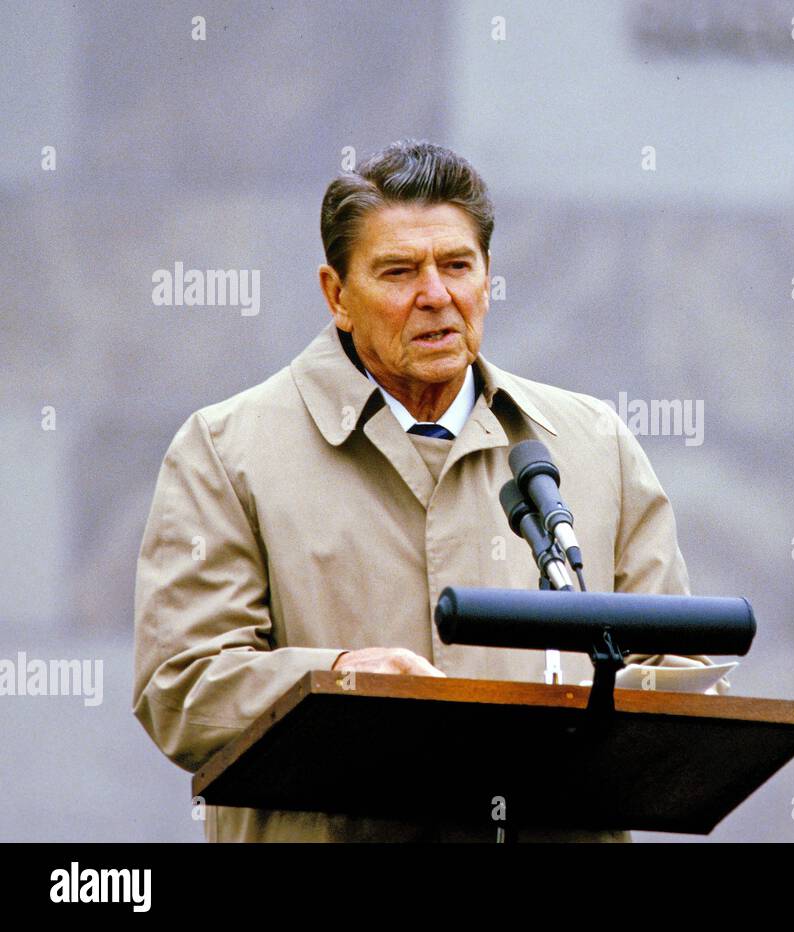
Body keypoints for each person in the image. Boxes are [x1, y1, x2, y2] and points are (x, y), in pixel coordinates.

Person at [132, 139, 725, 842]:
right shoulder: (228, 449)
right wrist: (345, 679)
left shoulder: (592, 443)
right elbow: (184, 687)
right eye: (399, 271)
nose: (436, 296)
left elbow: (677, 673)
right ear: (337, 295)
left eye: (456, 266)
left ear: (487, 276)